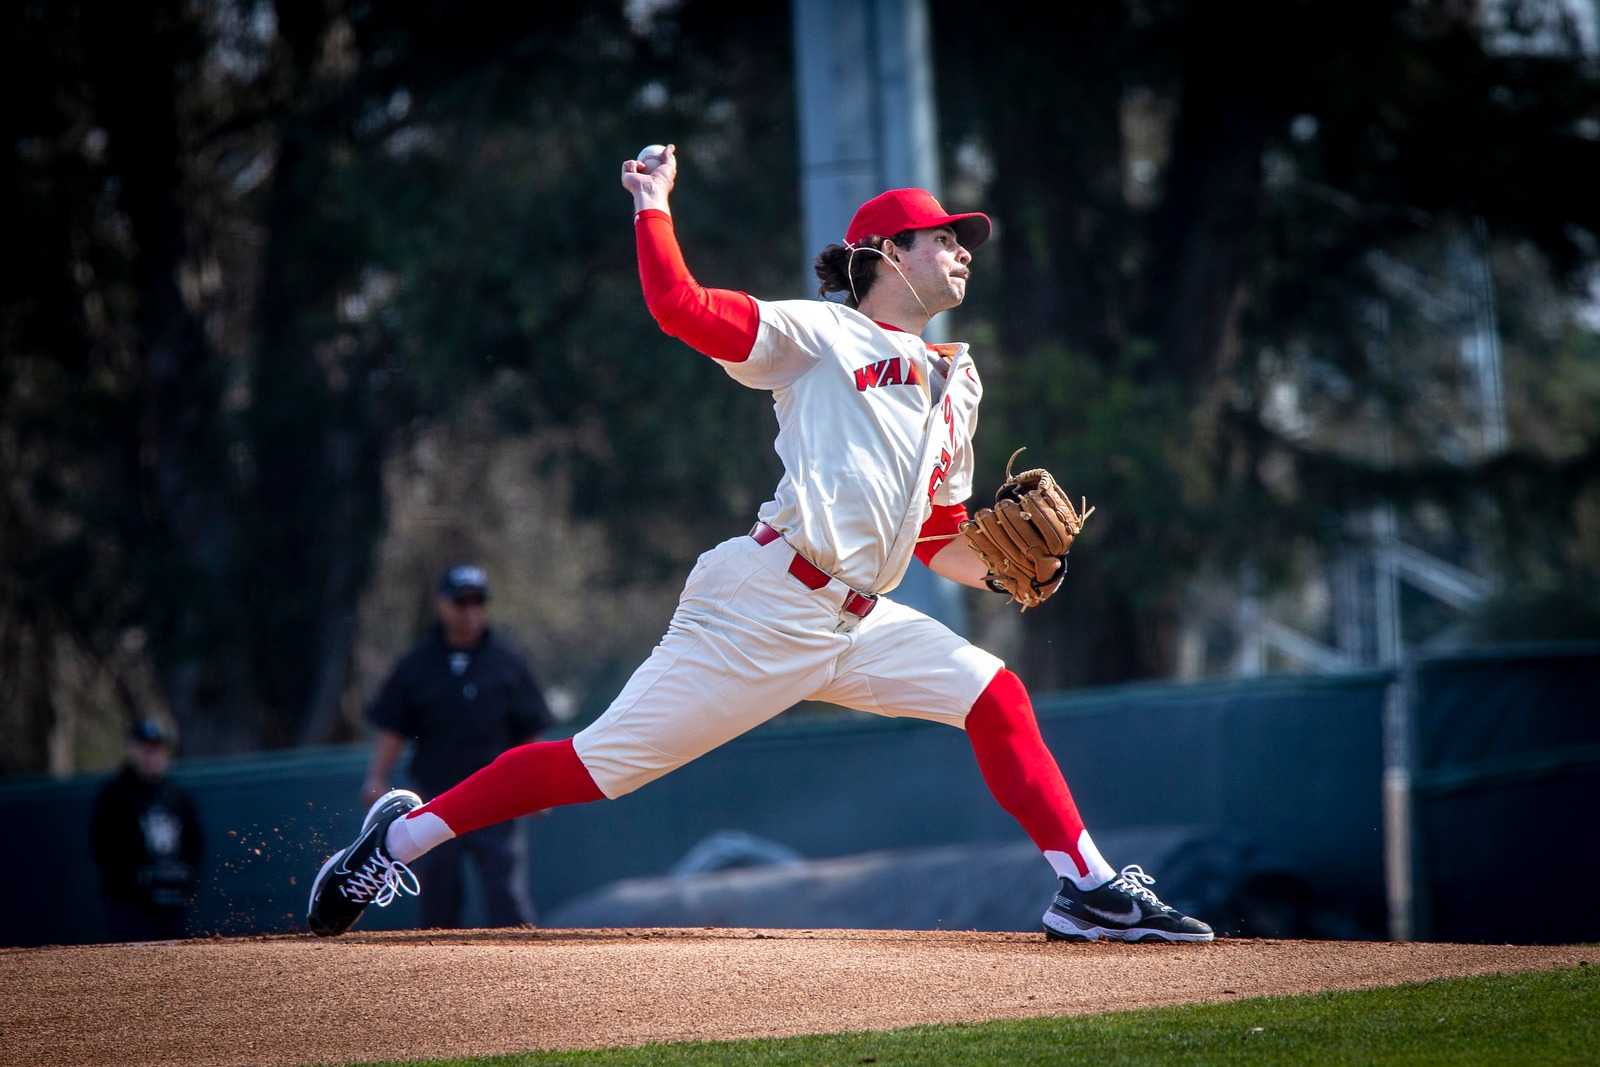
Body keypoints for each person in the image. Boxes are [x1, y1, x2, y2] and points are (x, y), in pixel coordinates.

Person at [307, 144, 1214, 944]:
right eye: (941, 236)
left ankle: (1088, 889)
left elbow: (939, 537)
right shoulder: (821, 333)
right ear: (888, 253)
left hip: (859, 620)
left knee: (995, 694)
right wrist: (653, 203)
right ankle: (396, 839)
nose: (961, 248)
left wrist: (1014, 569)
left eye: (961, 236)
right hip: (763, 605)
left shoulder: (958, 378)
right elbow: (681, 307)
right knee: (596, 766)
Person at [358, 563, 556, 929]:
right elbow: (393, 727)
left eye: (477, 601)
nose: (469, 611)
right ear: (440, 604)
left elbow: (529, 729)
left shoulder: (505, 662)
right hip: (437, 797)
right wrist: (377, 775)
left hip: (498, 797)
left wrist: (538, 788)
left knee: (506, 898)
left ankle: (524, 973)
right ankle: (436, 978)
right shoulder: (416, 665)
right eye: (460, 601)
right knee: (438, 901)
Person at [89, 718, 204, 942]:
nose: (151, 754)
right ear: (133, 749)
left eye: (156, 747)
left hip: (173, 904)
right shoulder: (115, 796)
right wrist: (130, 881)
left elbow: (196, 844)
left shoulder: (178, 796)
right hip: (131, 906)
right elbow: (103, 846)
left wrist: (186, 878)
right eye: (145, 747)